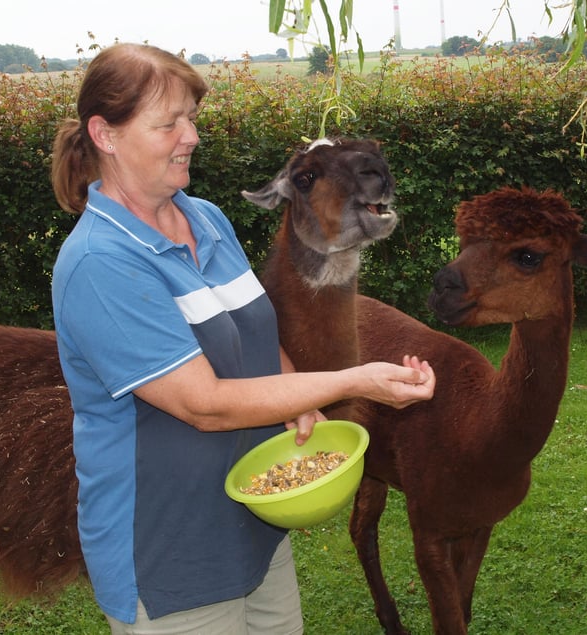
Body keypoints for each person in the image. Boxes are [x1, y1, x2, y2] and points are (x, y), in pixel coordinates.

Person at [49, 43, 435, 634]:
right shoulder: (101, 264)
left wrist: (297, 395)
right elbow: (202, 405)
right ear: (105, 134)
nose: (191, 137)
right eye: (168, 123)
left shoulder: (205, 218)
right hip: (168, 553)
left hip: (254, 520)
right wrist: (358, 382)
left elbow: (254, 333)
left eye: (192, 119)